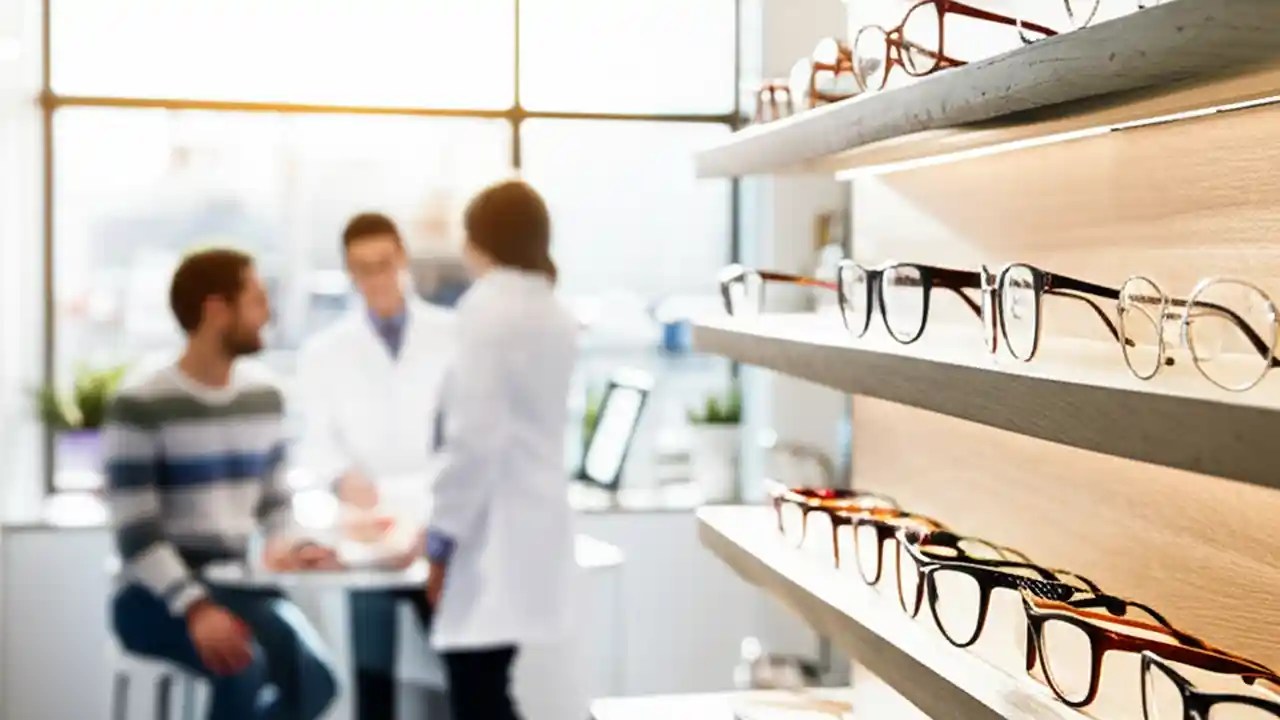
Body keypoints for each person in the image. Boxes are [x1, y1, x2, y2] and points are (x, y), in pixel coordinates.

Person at [106, 248, 338, 720]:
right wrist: (195, 608)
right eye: (257, 299)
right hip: (153, 599)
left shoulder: (264, 397)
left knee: (316, 681)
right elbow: (136, 535)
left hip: (240, 587)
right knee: (241, 668)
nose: (268, 314)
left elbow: (275, 504)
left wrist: (293, 545)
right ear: (216, 309)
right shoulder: (139, 404)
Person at [424, 180, 579, 720]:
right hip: (531, 520)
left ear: (479, 240)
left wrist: (440, 538)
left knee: (478, 693)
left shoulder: (486, 309)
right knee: (491, 687)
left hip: (491, 531)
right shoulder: (553, 310)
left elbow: (473, 438)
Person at [296, 212, 456, 719]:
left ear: (403, 259)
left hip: (435, 527)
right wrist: (342, 477)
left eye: (384, 264)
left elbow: (465, 438)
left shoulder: (452, 335)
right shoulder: (324, 352)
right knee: (373, 678)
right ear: (349, 272)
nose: (376, 278)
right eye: (362, 268)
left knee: (461, 672)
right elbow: (314, 444)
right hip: (369, 534)